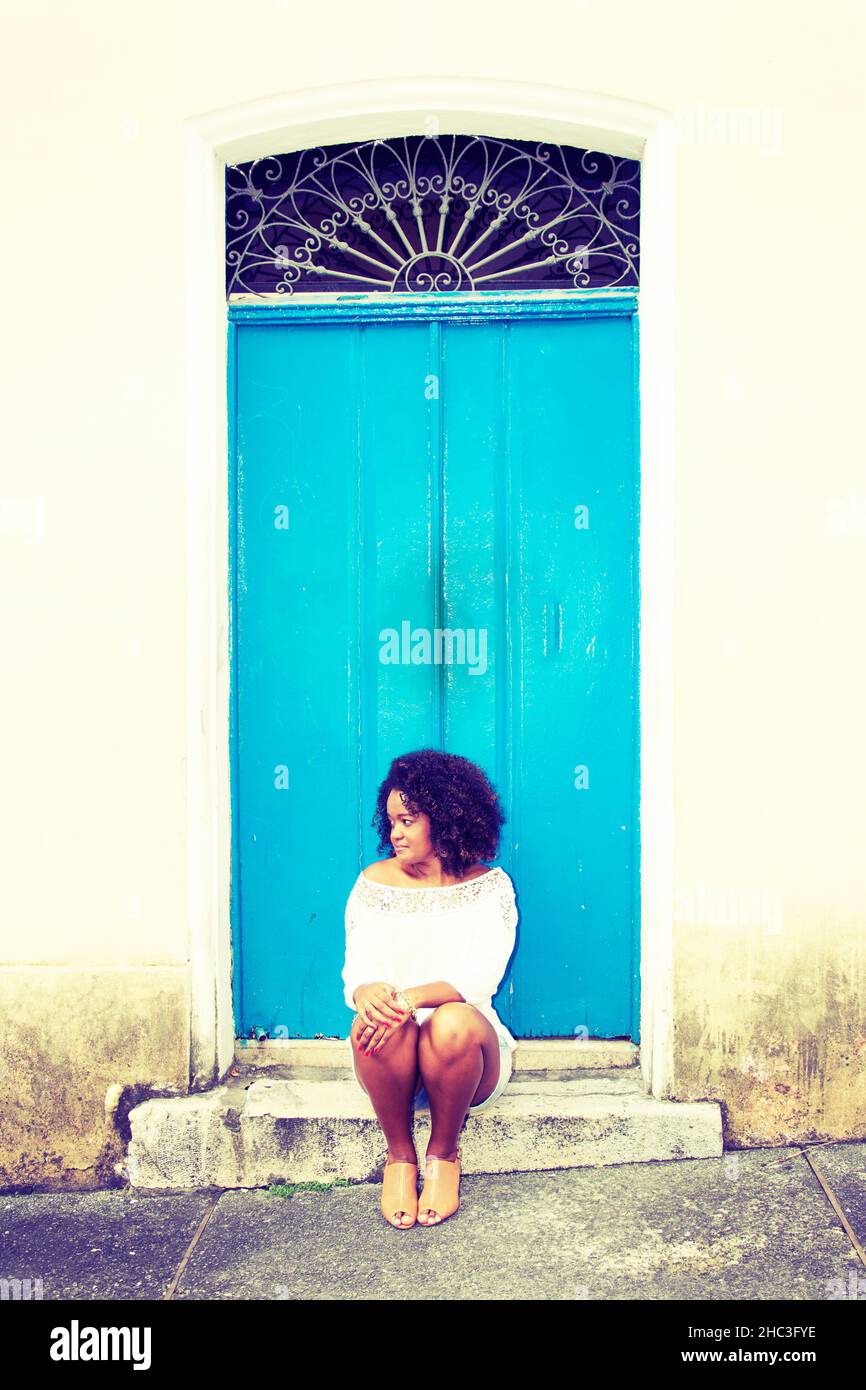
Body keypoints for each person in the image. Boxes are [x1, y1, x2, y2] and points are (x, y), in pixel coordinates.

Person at [341, 748, 518, 1229]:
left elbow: (480, 978)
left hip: (466, 1058)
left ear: (444, 818)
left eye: (409, 820)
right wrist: (368, 993)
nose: (395, 832)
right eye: (392, 820)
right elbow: (357, 968)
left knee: (453, 1020)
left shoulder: (490, 888)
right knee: (371, 1022)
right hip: (396, 1057)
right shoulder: (374, 884)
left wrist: (409, 998)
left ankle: (443, 1154)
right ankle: (400, 1158)